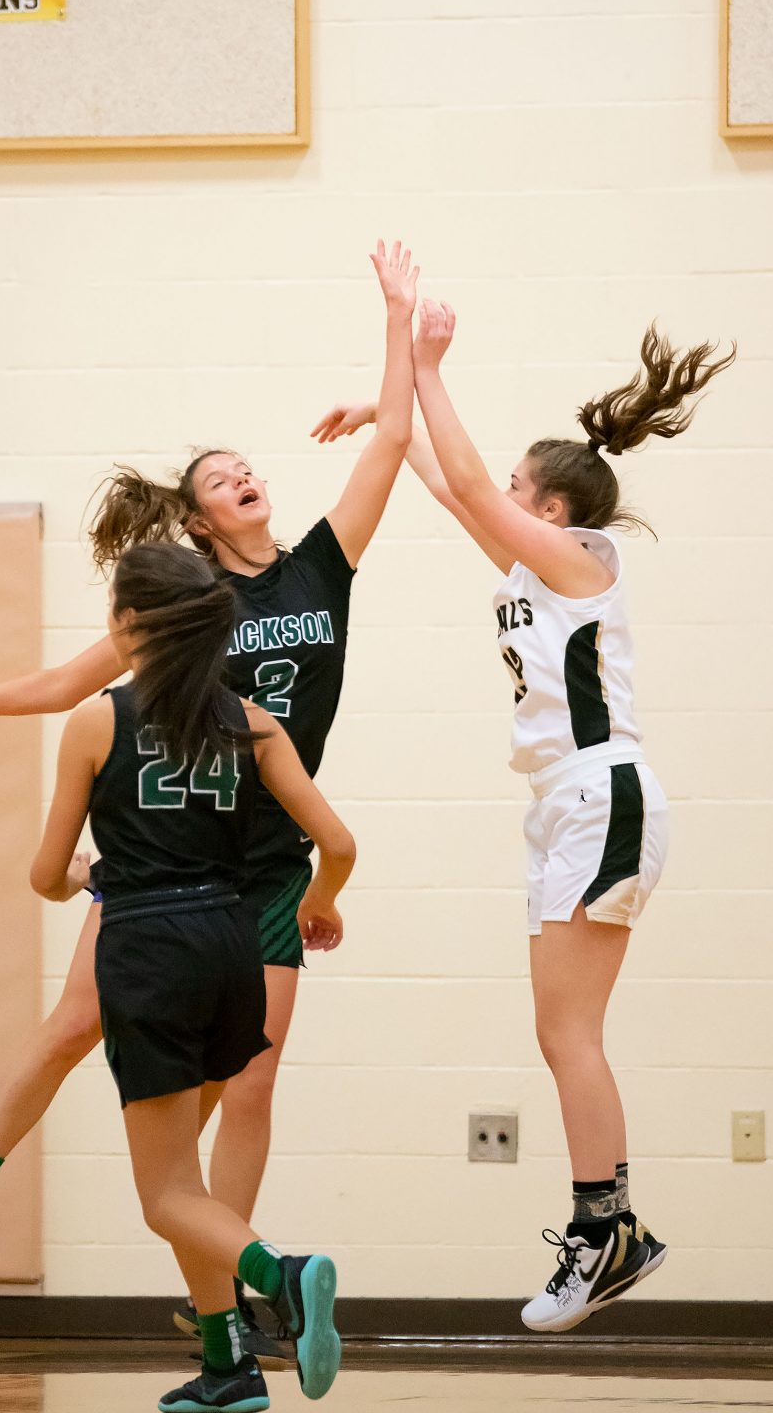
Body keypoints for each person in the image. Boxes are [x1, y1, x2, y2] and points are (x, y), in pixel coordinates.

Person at [0, 244, 419, 1363]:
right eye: (219, 477)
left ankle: (237, 1295)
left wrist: (398, 318)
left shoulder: (321, 564)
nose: (244, 476)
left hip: (270, 862)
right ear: (199, 520)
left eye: (248, 467)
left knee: (249, 1086)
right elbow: (61, 686)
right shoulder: (188, 601)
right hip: (175, 855)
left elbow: (394, 439)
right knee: (75, 1025)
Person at [314, 314, 734, 1332]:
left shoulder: (582, 560)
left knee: (568, 1031)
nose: (496, 493)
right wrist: (390, 411)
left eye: (515, 486)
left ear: (550, 508)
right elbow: (450, 483)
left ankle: (606, 1232)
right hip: (561, 804)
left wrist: (424, 368)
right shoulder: (530, 569)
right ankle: (611, 1229)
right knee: (559, 1032)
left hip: (602, 793)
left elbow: (464, 483)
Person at [29, 541, 354, 1413]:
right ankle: (226, 1371)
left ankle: (280, 1278)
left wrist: (77, 878)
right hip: (236, 947)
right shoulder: (252, 720)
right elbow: (339, 843)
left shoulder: (97, 720)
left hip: (150, 955)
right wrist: (320, 901)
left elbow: (46, 873)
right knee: (193, 1178)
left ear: (127, 624)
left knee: (165, 1196)